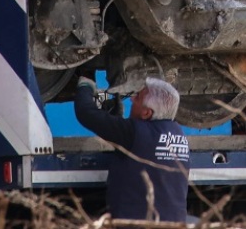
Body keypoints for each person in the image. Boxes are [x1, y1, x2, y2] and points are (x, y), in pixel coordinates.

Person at [74, 75, 190, 222]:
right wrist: (115, 117)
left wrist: (86, 86)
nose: (131, 99)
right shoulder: (178, 134)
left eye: (138, 98)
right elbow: (140, 151)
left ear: (147, 113)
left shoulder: (134, 133)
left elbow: (86, 113)